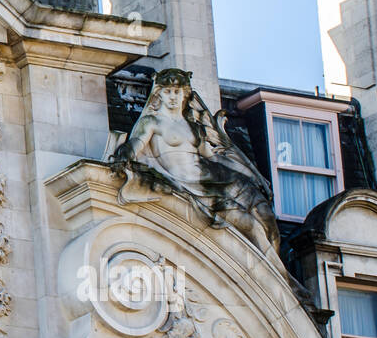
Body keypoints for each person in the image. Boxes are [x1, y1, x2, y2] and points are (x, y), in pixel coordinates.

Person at [112, 69, 279, 254]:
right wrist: (124, 154)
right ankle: (269, 273)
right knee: (251, 226)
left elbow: (213, 157)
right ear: (159, 94)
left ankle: (280, 272)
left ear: (184, 94)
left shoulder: (193, 126)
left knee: (265, 214)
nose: (173, 97)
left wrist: (251, 174)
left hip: (215, 177)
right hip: (190, 186)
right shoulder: (152, 122)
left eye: (177, 91)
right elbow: (137, 143)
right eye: (168, 92)